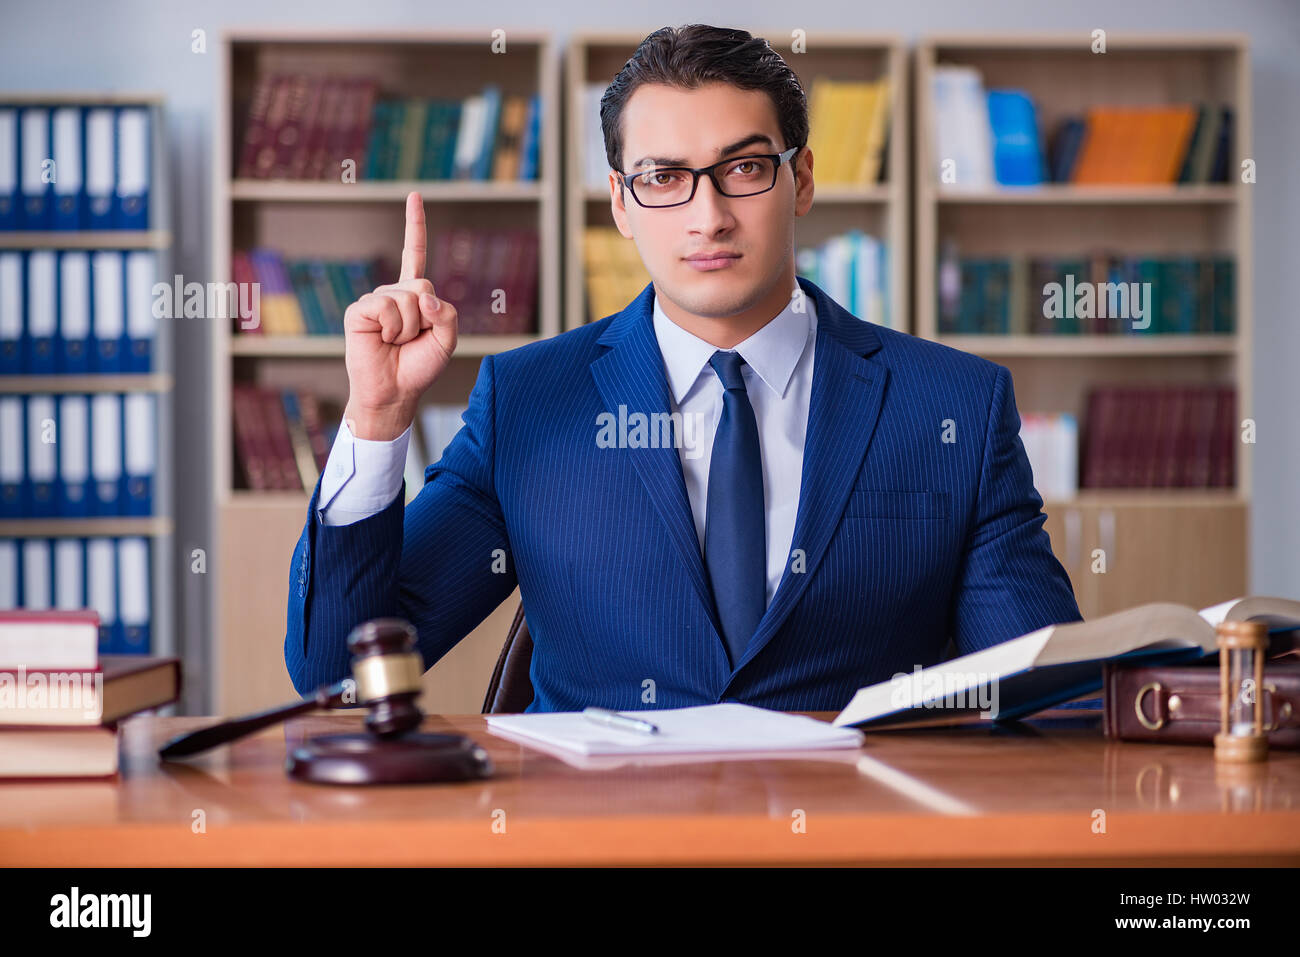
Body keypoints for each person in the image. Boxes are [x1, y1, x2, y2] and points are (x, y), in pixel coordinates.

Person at [284, 24, 1082, 711]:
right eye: (664, 177)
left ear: (800, 180)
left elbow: (1047, 694)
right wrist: (376, 421)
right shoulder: (528, 403)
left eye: (742, 168)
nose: (708, 216)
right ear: (621, 203)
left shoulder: (954, 407)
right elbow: (339, 674)